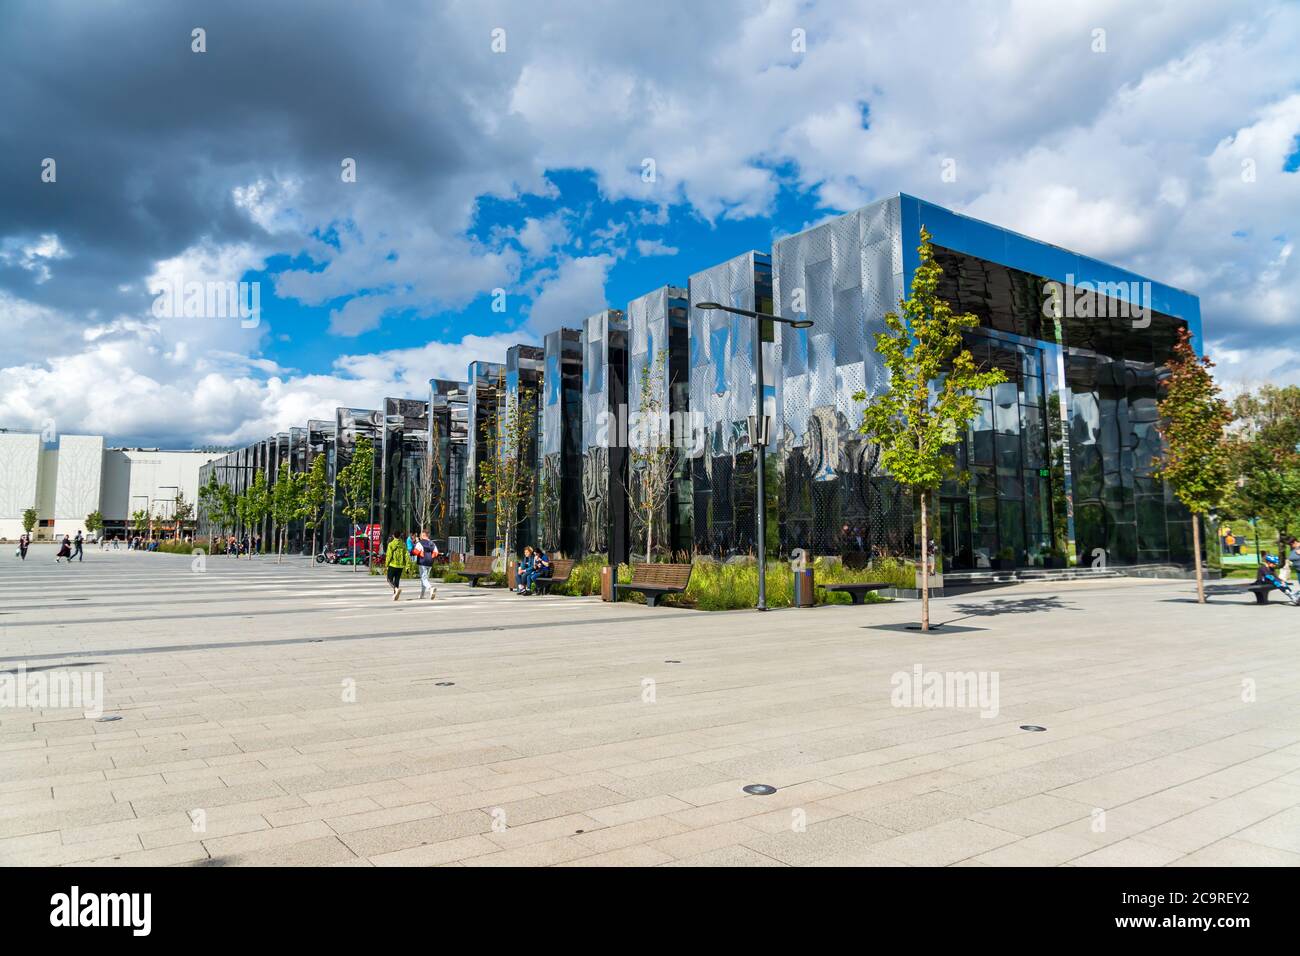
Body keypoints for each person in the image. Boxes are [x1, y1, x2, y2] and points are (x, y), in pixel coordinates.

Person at [414, 528, 438, 599]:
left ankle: (430, 588)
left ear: (423, 534)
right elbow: (436, 552)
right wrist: (430, 557)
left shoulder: (420, 543)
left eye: (421, 534)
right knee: (425, 578)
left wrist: (420, 554)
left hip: (422, 561)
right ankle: (422, 595)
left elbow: (415, 551)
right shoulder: (432, 543)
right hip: (430, 562)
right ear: (428, 535)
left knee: (423, 578)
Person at [384, 532, 408, 600]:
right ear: (400, 536)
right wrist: (407, 566)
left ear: (393, 536)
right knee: (397, 580)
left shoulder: (391, 544)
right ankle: (395, 595)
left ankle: (396, 589)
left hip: (392, 565)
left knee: (389, 579)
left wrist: (386, 564)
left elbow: (389, 555)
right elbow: (406, 555)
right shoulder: (403, 544)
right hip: (400, 566)